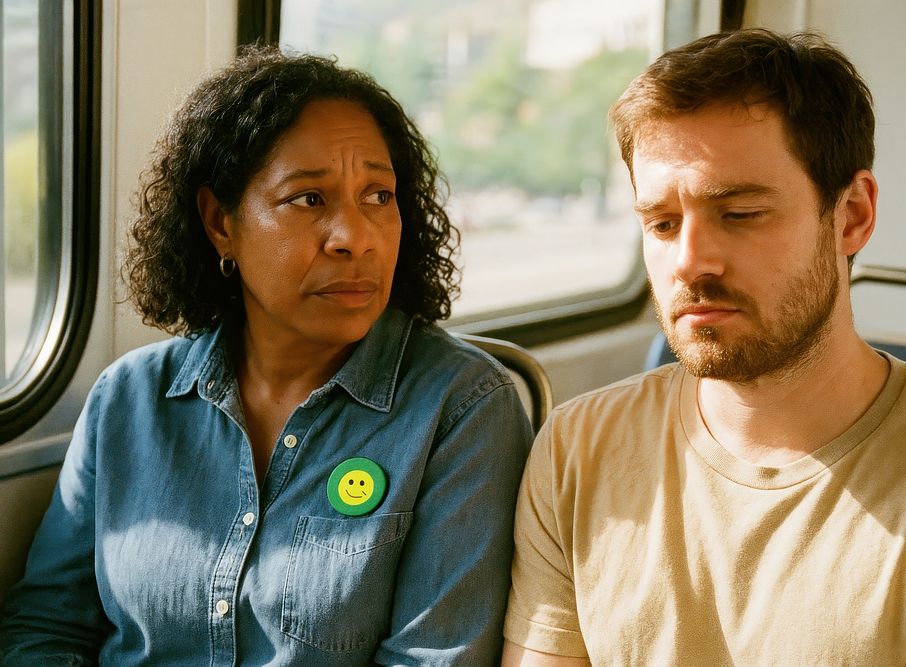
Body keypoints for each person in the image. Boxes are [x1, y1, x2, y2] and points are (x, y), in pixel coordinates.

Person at [0, 47, 532, 665]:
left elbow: (433, 658)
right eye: (308, 199)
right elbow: (45, 627)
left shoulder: (462, 408)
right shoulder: (128, 399)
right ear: (221, 223)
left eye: (379, 196)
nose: (355, 237)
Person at [502, 28, 906, 665]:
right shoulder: (576, 450)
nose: (690, 262)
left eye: (739, 214)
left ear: (852, 216)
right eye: (661, 223)